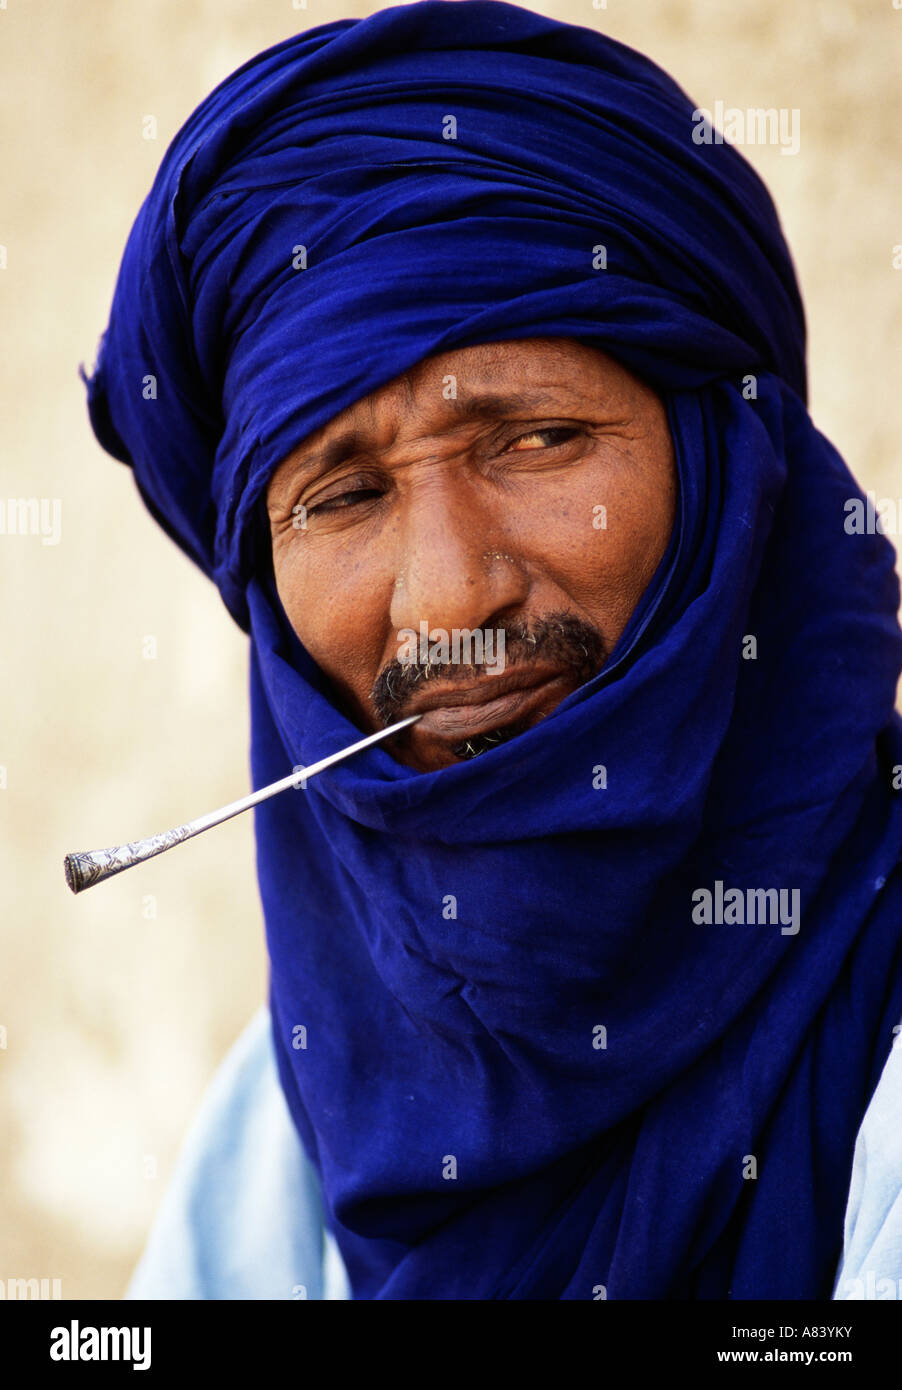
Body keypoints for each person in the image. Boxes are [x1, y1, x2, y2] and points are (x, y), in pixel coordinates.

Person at [80, 0, 902, 1300]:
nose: (453, 589)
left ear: (728, 469)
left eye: (533, 441)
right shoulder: (290, 1101)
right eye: (340, 496)